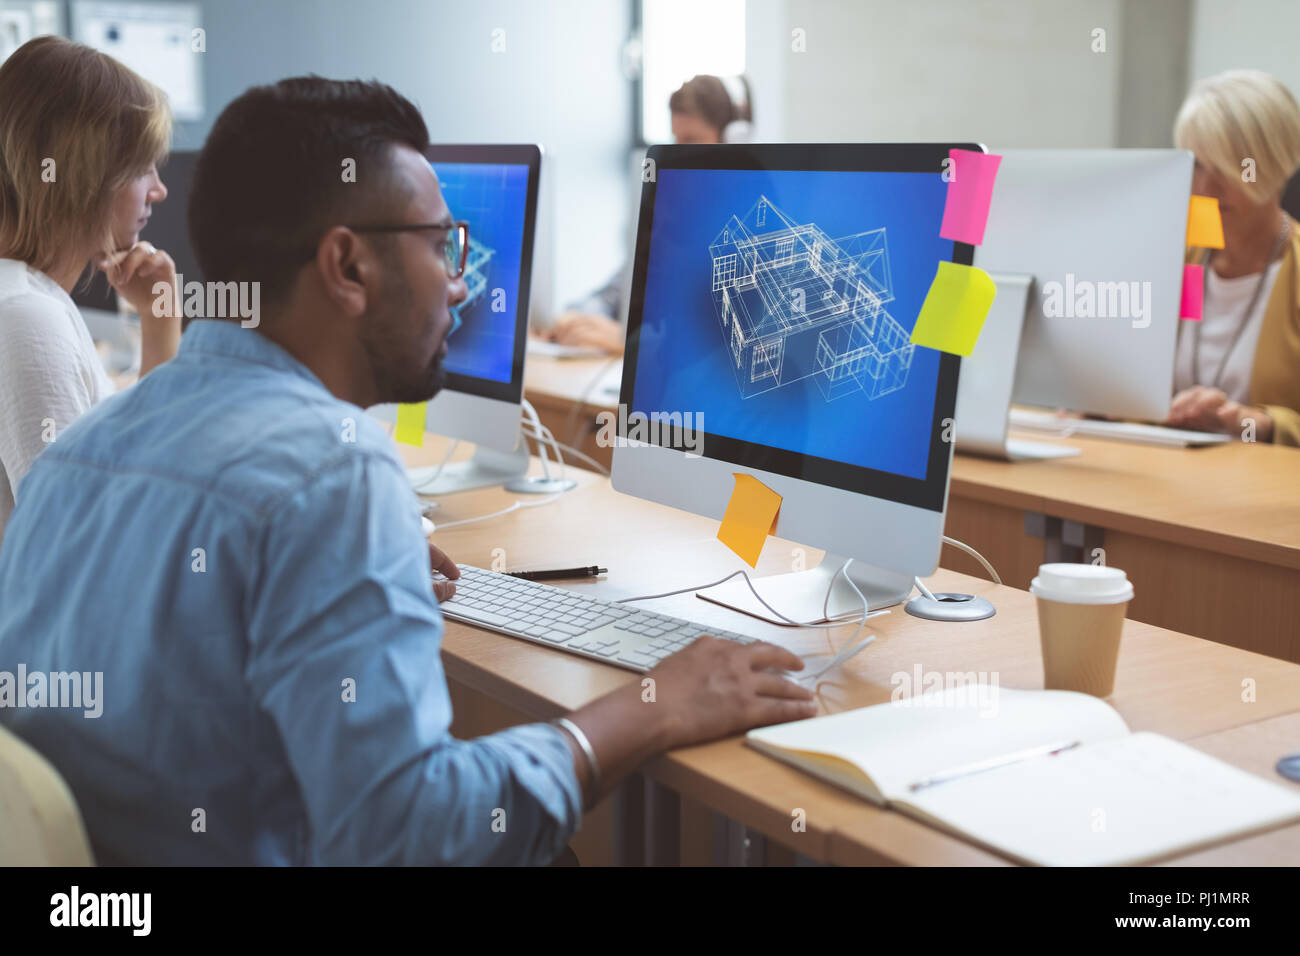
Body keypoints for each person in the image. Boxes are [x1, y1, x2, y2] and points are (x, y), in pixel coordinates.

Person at [0, 76, 816, 866]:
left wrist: (324, 586)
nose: (461, 282)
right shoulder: (331, 477)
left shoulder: (81, 448)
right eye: (441, 245)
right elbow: (414, 838)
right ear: (348, 267)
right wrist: (651, 709)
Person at [0, 36, 182, 545]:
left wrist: (159, 319)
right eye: (143, 167)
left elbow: (140, 462)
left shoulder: (32, 296)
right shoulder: (25, 316)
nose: (158, 190)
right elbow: (82, 549)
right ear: (86, 174)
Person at [545, 74, 754, 356]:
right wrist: (577, 318)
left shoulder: (747, 218)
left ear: (730, 140)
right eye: (676, 141)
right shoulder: (671, 211)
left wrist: (628, 341)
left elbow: (722, 337)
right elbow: (618, 291)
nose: (681, 156)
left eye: (692, 141)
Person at [1168, 69, 1300, 445]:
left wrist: (1258, 423)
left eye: (1227, 166)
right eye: (1196, 165)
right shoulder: (1179, 262)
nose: (1206, 187)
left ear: (1274, 162)